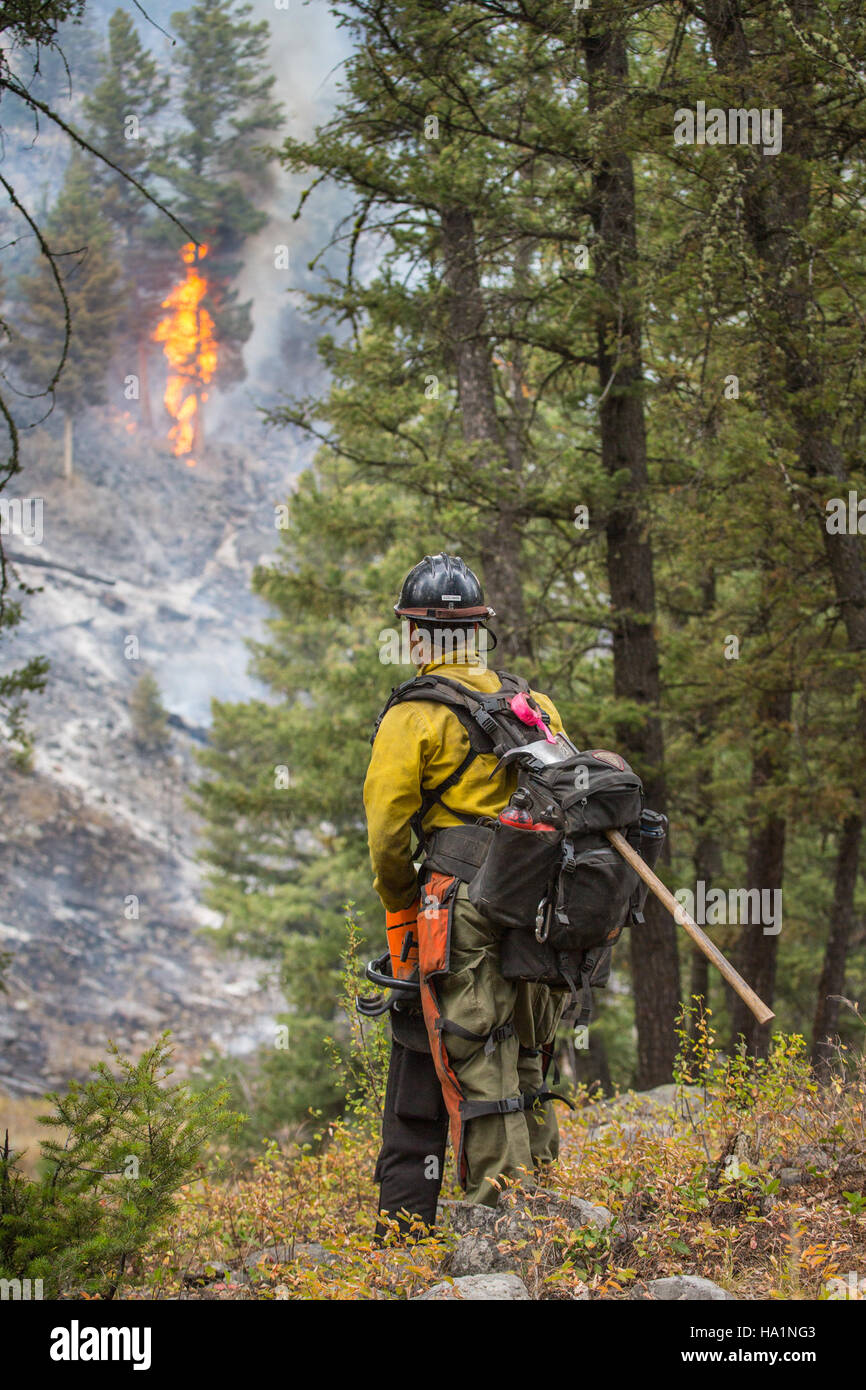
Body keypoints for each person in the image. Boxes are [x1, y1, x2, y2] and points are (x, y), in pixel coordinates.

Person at [363, 552, 569, 1233]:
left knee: (477, 1047)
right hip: (536, 902)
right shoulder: (532, 706)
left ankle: (497, 1224)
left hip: (460, 903)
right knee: (529, 1050)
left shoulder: (414, 716)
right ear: (478, 630)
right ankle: (541, 1203)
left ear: (416, 634)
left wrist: (401, 905)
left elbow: (389, 834)